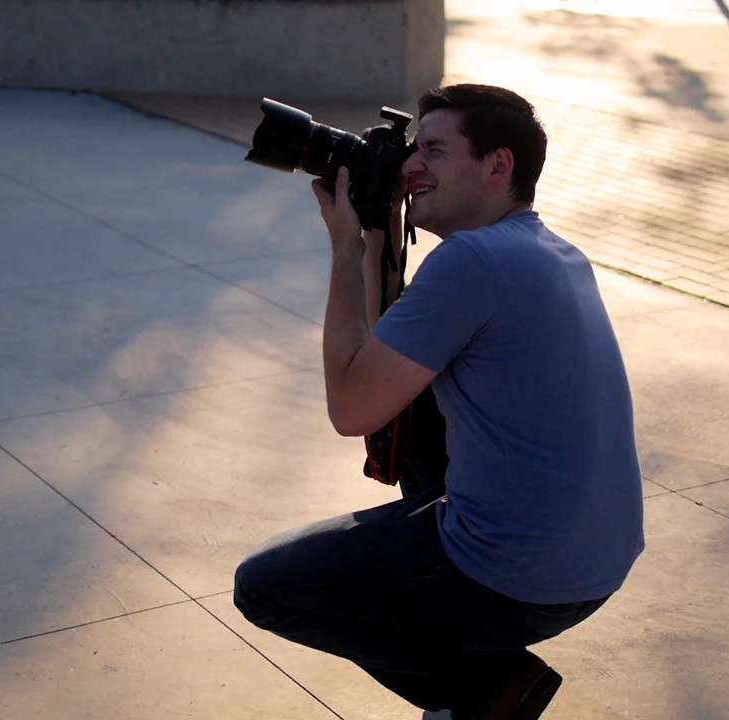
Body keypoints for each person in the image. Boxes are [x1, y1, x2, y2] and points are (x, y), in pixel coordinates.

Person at [233, 84, 645, 720]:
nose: (409, 166)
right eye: (410, 151)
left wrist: (344, 251)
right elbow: (380, 359)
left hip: (514, 579)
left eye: (433, 150)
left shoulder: (471, 263)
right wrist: (375, 226)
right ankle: (477, 676)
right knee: (420, 427)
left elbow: (351, 408)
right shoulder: (548, 252)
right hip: (594, 565)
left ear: (497, 165)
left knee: (264, 587)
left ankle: (488, 689)